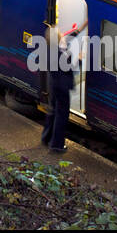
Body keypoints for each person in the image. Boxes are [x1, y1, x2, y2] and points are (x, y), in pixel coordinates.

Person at [40, 22, 75, 153]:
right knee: (61, 116)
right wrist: (80, 58)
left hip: (53, 85)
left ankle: (45, 138)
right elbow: (69, 67)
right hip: (61, 88)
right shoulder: (60, 54)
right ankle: (56, 145)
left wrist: (77, 30)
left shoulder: (49, 48)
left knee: (52, 112)